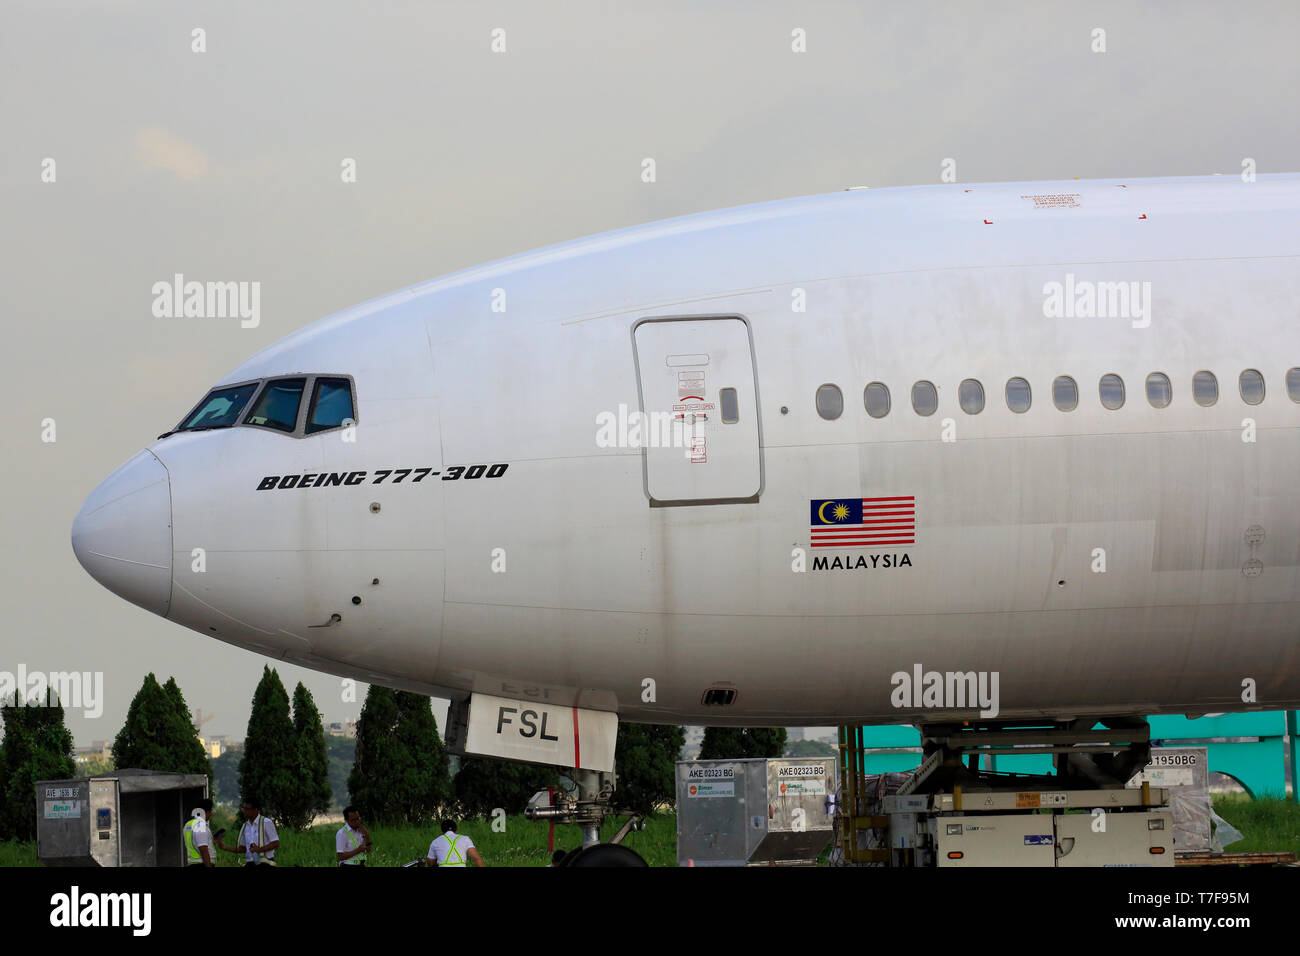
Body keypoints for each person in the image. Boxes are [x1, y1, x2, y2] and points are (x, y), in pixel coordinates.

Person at [218, 797, 279, 866]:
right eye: (243, 808)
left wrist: (260, 849)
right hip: (250, 863)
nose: (244, 811)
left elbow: (276, 843)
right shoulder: (245, 826)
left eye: (247, 809)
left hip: (265, 862)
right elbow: (243, 849)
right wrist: (225, 847)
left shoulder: (266, 822)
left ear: (255, 810)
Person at [184, 798, 216, 868]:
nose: (211, 814)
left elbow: (194, 842)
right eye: (211, 811)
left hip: (193, 863)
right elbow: (203, 849)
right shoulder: (201, 825)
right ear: (207, 812)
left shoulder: (189, 824)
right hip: (202, 864)